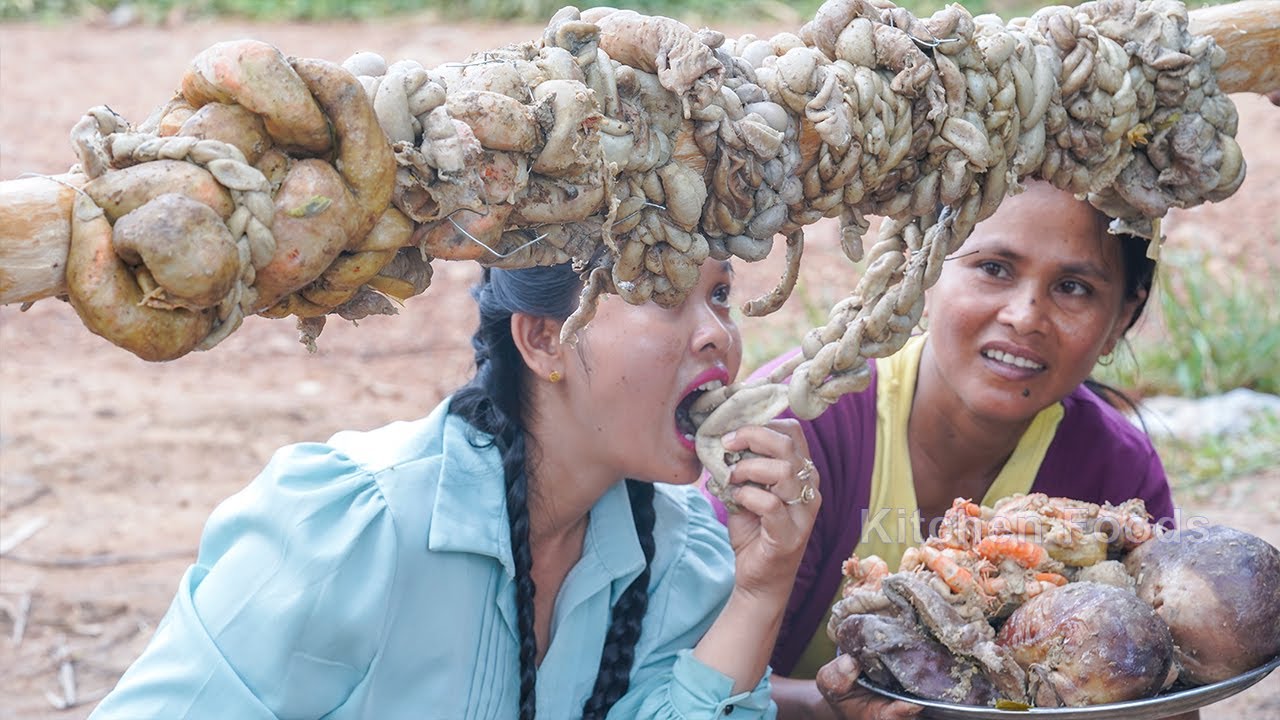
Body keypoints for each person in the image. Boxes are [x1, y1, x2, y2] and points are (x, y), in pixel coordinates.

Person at [88, 258, 822, 719]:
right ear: (541, 340)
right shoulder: (349, 532)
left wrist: (760, 591)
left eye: (720, 292)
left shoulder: (684, 556)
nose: (717, 334)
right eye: (661, 290)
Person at [710, 182, 1188, 720]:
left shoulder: (1114, 470)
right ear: (924, 270)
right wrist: (828, 709)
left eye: (1073, 287)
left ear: (1120, 319)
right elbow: (678, 683)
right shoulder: (803, 432)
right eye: (994, 268)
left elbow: (1166, 694)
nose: (1025, 315)